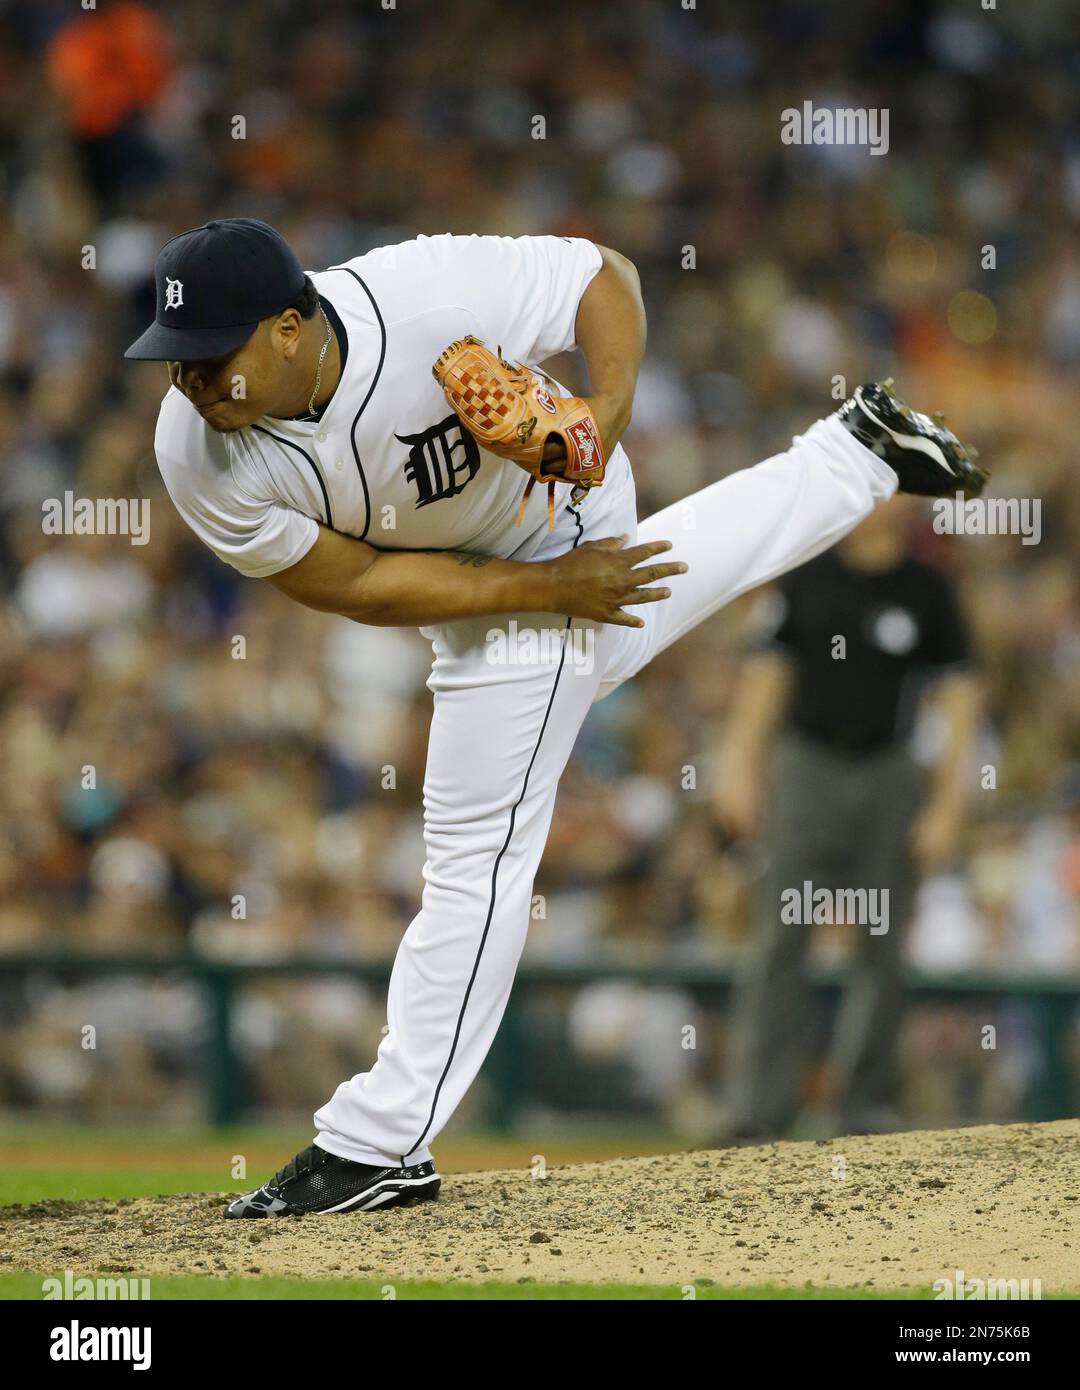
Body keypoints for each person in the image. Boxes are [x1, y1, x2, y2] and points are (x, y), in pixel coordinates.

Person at [123, 217, 986, 1217]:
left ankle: (376, 1141)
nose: (188, 381)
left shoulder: (425, 295)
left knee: (475, 849)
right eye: (173, 360)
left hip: (555, 516)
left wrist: (601, 421)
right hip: (485, 581)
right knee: (611, 635)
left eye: (207, 356)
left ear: (285, 326)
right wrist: (535, 593)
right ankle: (854, 456)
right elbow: (357, 581)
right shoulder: (195, 448)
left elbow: (601, 276)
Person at [714, 498, 981, 1139]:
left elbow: (961, 697)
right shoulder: (807, 576)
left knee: (882, 951)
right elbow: (769, 676)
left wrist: (948, 805)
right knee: (779, 942)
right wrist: (738, 767)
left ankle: (861, 1109)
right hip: (807, 771)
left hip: (890, 774)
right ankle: (758, 1112)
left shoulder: (927, 589)